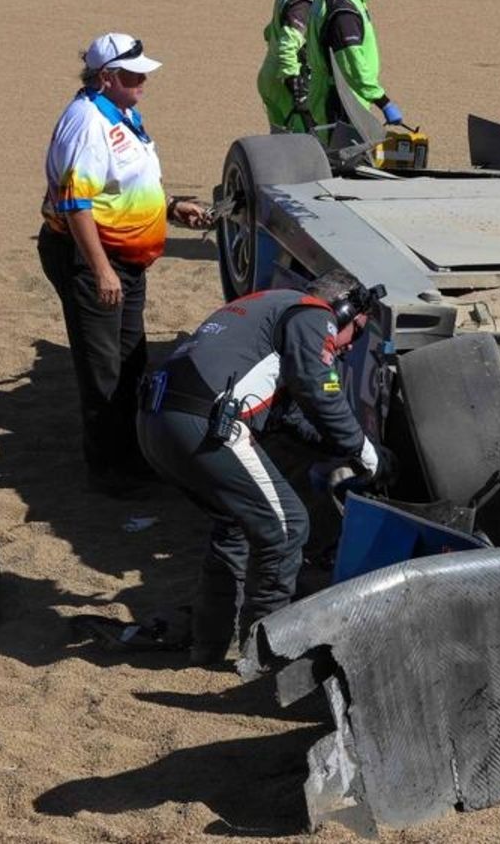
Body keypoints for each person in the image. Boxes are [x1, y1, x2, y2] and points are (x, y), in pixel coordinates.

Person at [135, 271, 395, 664]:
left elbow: (291, 419)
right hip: (203, 422)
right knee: (289, 527)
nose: (346, 348)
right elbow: (316, 386)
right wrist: (363, 449)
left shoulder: (269, 311)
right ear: (342, 309)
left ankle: (208, 645)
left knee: (236, 524)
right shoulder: (312, 313)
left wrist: (346, 450)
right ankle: (267, 659)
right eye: (355, 333)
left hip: (157, 420)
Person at [39, 33, 210, 495]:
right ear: (106, 77)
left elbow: (124, 182)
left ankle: (132, 455)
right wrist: (100, 270)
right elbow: (77, 205)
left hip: (123, 259)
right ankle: (107, 469)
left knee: (131, 357)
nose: (144, 82)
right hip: (93, 257)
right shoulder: (87, 123)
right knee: (103, 367)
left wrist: (170, 206)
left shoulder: (122, 113)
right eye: (135, 75)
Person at [305, 0, 402, 132]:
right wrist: (383, 102)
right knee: (342, 158)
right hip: (340, 101)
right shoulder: (343, 9)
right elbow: (352, 63)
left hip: (338, 97)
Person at [256, 0, 339, 132]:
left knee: (279, 141)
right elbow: (287, 44)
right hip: (284, 82)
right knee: (301, 143)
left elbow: (269, 32)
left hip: (270, 75)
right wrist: (295, 87)